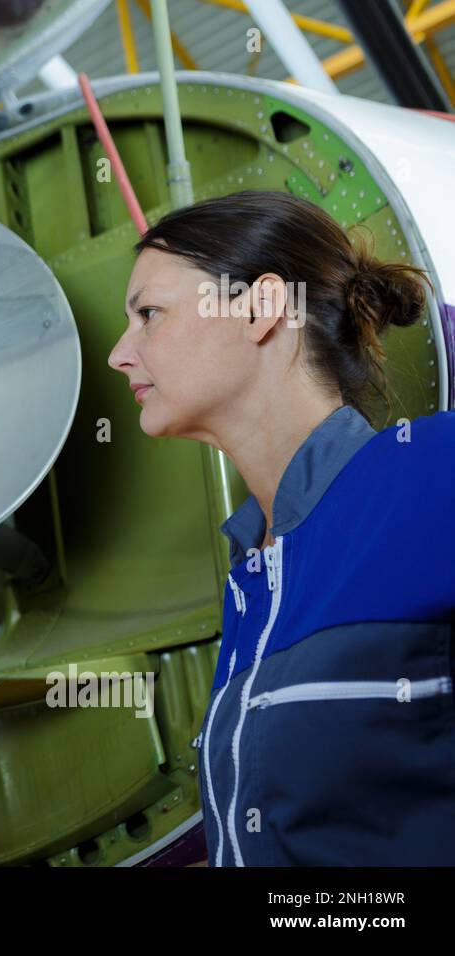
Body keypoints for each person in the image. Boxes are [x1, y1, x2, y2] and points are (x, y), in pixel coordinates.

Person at [108, 190, 455, 866]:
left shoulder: (432, 476)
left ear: (262, 307)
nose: (122, 354)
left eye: (149, 314)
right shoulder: (253, 580)